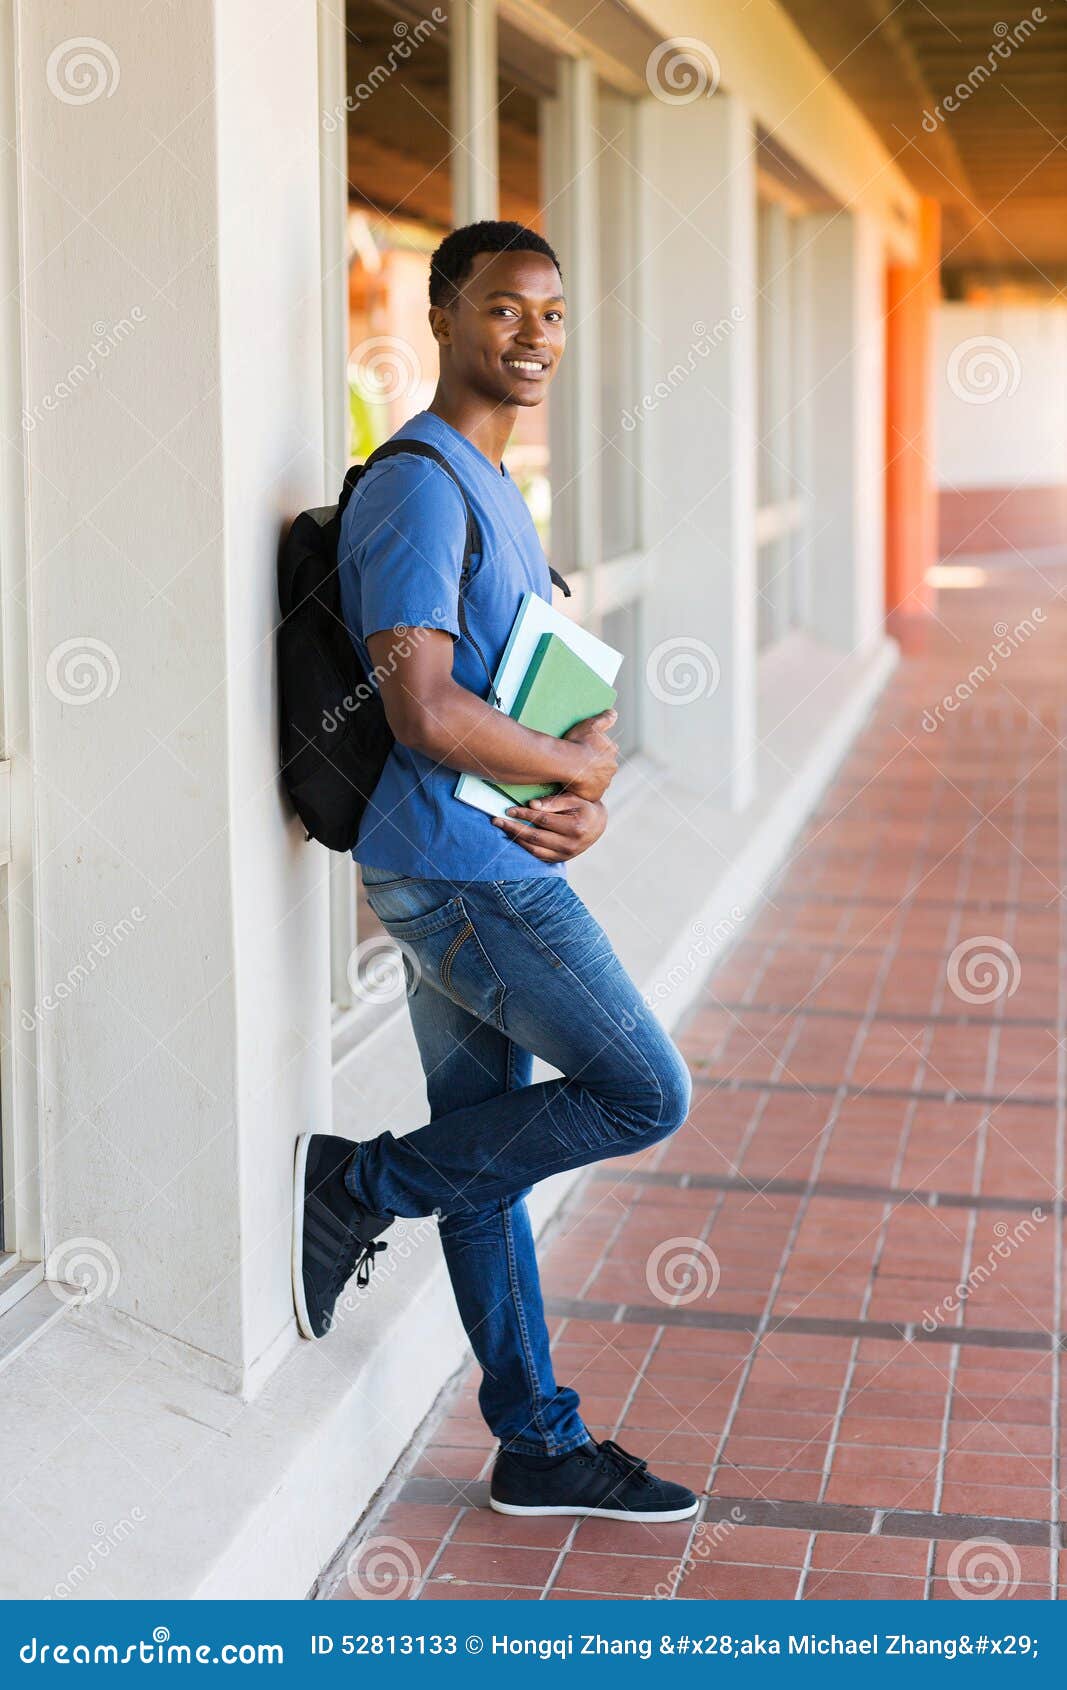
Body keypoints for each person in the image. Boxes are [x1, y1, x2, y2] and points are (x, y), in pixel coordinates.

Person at [293, 221, 695, 1522]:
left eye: (555, 314)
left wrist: (591, 777)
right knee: (644, 1089)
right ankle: (357, 1183)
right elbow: (423, 708)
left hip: (477, 857)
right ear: (444, 317)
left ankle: (534, 1436)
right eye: (504, 308)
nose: (533, 334)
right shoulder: (418, 483)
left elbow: (538, 691)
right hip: (462, 875)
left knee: (492, 1149)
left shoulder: (492, 485)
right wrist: (571, 778)